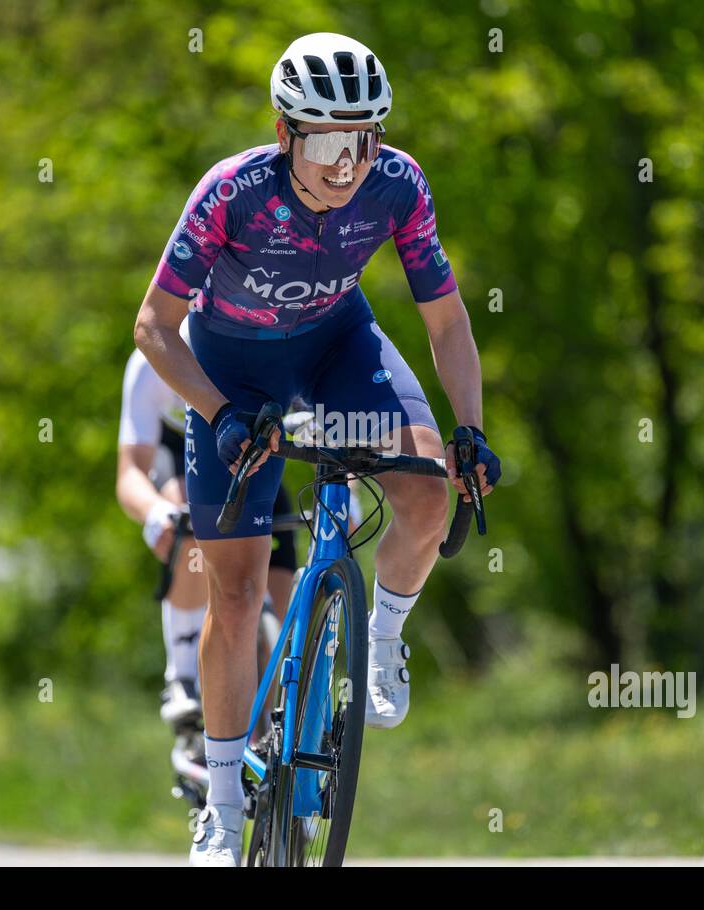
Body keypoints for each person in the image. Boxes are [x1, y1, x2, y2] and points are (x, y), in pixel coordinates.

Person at [134, 32, 499, 865]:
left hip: (338, 347)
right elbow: (153, 327)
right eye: (329, 141)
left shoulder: (398, 184)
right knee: (232, 594)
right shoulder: (230, 193)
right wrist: (222, 413)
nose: (347, 164)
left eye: (364, 139)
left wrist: (471, 426)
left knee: (428, 488)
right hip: (233, 367)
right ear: (284, 131)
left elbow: (444, 319)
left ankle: (386, 635)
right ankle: (222, 805)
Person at [116, 328, 299, 734]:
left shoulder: (266, 346)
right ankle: (181, 672)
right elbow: (129, 472)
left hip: (250, 464)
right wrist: (154, 512)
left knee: (286, 621)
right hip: (181, 460)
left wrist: (351, 494)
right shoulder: (149, 365)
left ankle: (268, 737)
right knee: (186, 513)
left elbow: (342, 424)